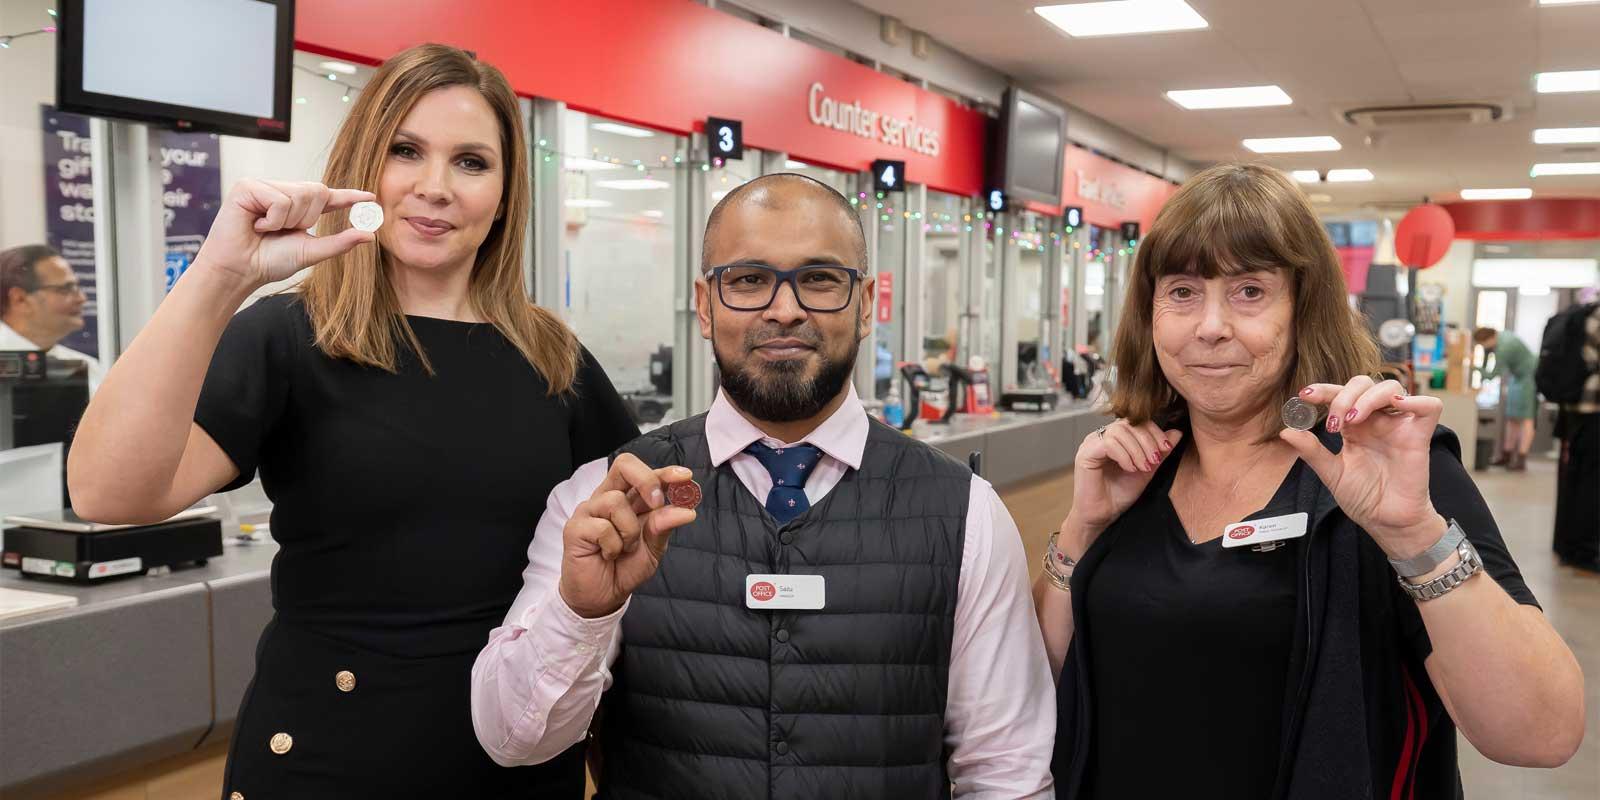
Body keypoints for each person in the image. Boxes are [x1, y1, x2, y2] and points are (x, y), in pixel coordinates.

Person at [67, 45, 637, 799]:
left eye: (471, 162)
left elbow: (630, 552)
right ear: (365, 162)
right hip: (324, 761)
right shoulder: (289, 335)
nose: (435, 188)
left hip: (514, 769)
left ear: (505, 194)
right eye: (406, 151)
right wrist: (222, 274)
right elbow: (109, 493)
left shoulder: (555, 360)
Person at [472, 173, 1056, 798]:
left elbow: (1005, 771)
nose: (785, 308)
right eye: (749, 280)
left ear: (865, 306)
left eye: (819, 279)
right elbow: (512, 740)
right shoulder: (605, 499)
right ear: (704, 304)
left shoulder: (966, 514)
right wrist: (581, 612)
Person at [1035, 164, 1584, 799]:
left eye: (1249, 291)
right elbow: (1033, 681)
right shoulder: (1134, 469)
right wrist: (1082, 531)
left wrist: (1410, 534)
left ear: (1304, 308)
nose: (1210, 325)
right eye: (1182, 291)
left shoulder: (1389, 467)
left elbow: (1541, 733)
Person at [0, 244, 104, 390]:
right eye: (66, 288)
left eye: (77, 287)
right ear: (20, 299)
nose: (82, 298)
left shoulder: (86, 367)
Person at [1552, 295, 1600, 573]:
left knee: (1577, 481)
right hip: (1593, 409)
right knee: (1589, 486)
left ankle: (1570, 547)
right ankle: (1582, 551)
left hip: (1578, 410)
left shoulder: (1587, 313)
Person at [1473, 325, 1539, 470]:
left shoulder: (1504, 347)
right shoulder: (1501, 337)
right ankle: (1506, 455)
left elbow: (1493, 374)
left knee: (1526, 418)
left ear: (1488, 339)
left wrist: (1474, 368)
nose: (1484, 348)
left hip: (1528, 377)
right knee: (1512, 417)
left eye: (1482, 344)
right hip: (1516, 377)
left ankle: (1521, 459)